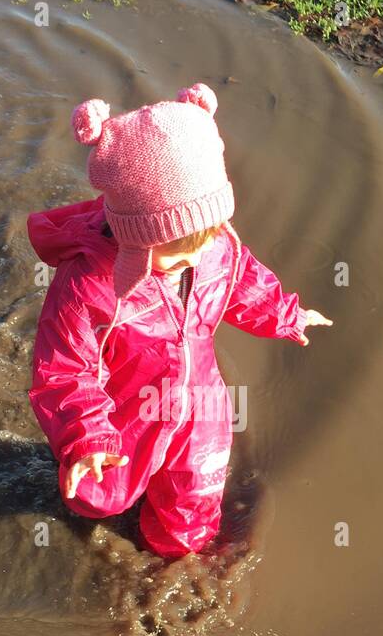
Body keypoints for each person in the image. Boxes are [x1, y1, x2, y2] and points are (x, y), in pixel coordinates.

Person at [28, 82, 332, 559]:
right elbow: (65, 370)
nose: (195, 258)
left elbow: (241, 280)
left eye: (205, 241)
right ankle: (91, 465)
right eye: (176, 251)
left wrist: (285, 313)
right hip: (131, 407)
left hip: (201, 404)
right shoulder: (88, 286)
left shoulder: (212, 246)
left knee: (194, 497)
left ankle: (172, 555)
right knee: (98, 496)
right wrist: (87, 436)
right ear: (135, 235)